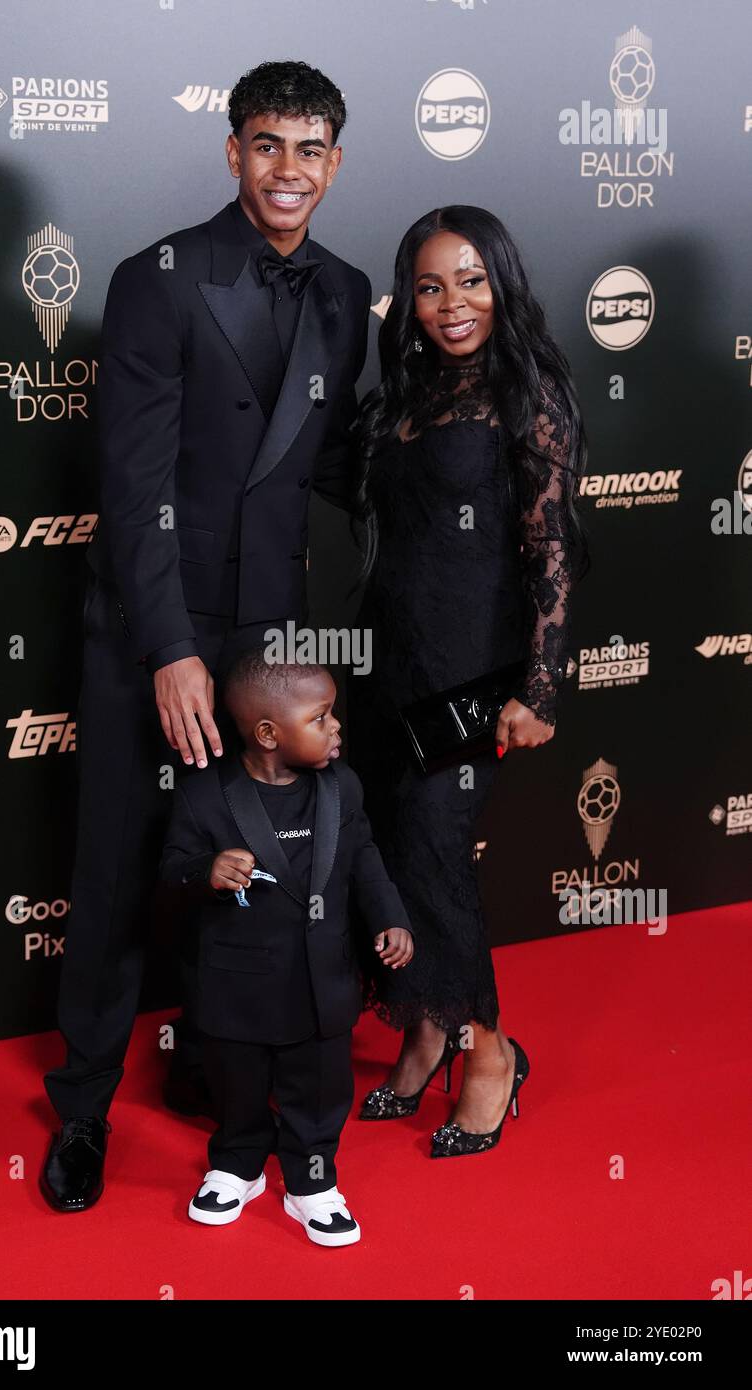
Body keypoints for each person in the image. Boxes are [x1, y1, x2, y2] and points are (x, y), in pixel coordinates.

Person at [40, 60, 373, 1213]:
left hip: (268, 647)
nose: (290, 169)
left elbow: (328, 457)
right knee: (123, 861)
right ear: (232, 151)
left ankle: (222, 1077)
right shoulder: (155, 280)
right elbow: (133, 490)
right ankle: (81, 1105)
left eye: (312, 147)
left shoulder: (344, 291)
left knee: (251, 871)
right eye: (269, 144)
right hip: (159, 626)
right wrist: (169, 650)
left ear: (336, 161)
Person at [346, 205, 590, 1157]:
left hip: (475, 671)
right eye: (431, 285)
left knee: (436, 850)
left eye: (472, 280)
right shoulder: (401, 394)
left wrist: (543, 686)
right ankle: (424, 1029)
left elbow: (552, 546)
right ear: (408, 297)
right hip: (388, 659)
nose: (453, 305)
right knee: (394, 850)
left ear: (504, 283)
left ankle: (490, 1051)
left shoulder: (528, 392)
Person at [161, 649, 413, 1245]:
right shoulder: (204, 796)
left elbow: (366, 860)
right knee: (238, 1084)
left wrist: (391, 917)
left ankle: (312, 1182)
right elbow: (170, 872)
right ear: (268, 733)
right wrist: (208, 871)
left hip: (323, 980)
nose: (335, 728)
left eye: (333, 715)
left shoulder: (342, 787)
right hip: (236, 987)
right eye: (320, 718)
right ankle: (237, 1164)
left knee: (320, 1089)